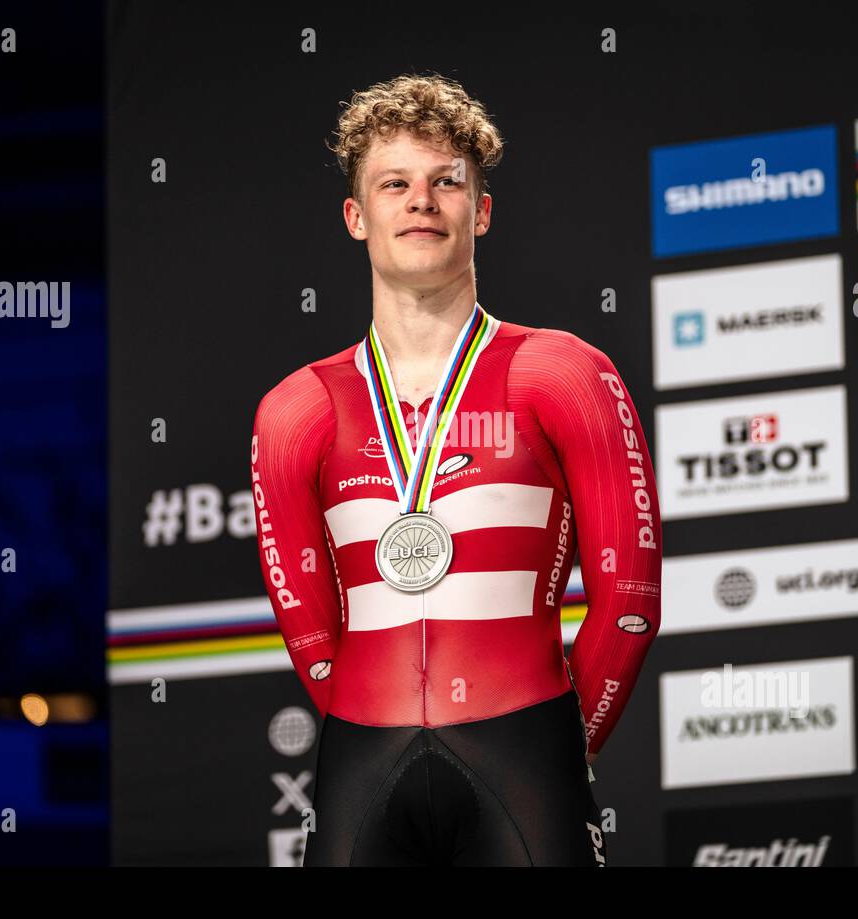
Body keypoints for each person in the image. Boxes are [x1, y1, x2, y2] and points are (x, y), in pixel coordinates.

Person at [250, 73, 661, 866]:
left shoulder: (564, 374)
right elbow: (308, 628)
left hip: (527, 751)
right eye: (394, 184)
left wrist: (566, 749)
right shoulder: (294, 410)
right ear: (355, 216)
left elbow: (630, 604)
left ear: (482, 210)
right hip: (361, 764)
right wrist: (369, 723)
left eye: (448, 183)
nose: (422, 202)